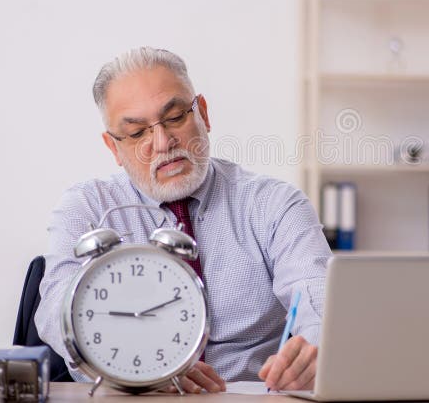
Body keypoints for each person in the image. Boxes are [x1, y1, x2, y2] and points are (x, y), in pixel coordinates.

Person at [35, 47, 330, 392]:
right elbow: (56, 310)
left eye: (175, 118)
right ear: (113, 147)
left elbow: (319, 296)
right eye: (137, 133)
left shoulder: (274, 204)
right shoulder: (87, 207)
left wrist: (319, 348)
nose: (163, 143)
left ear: (203, 113)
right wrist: (142, 371)